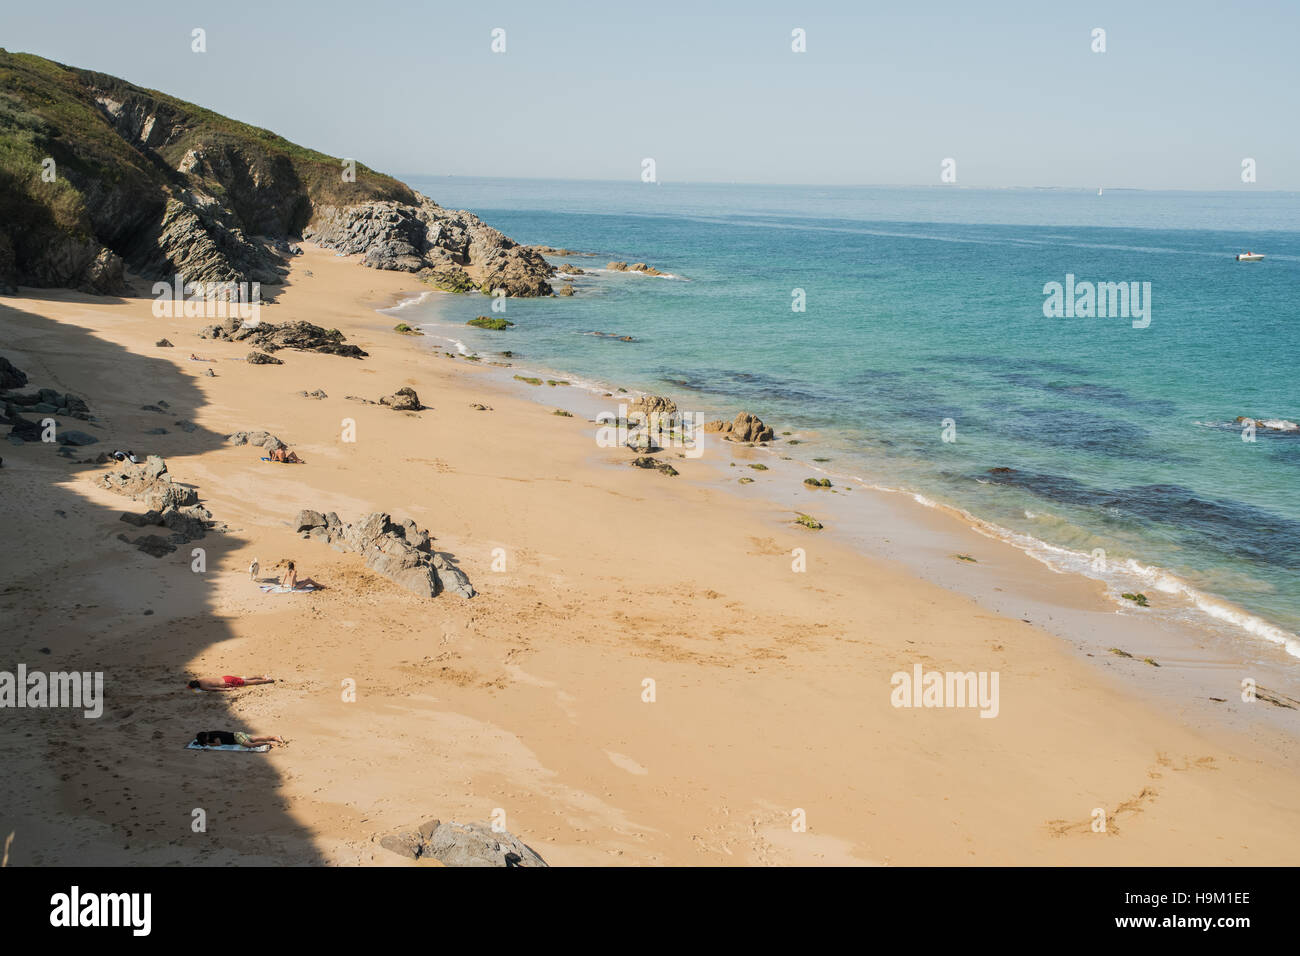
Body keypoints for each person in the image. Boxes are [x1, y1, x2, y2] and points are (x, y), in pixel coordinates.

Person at [193, 731, 287, 749]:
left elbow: (218, 744)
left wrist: (209, 745)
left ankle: (269, 742)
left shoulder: (213, 736)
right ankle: (275, 737)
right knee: (256, 739)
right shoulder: (210, 735)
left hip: (236, 737)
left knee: (251, 745)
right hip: (237, 735)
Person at [187, 675, 275, 692]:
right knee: (243, 678)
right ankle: (261, 676)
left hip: (228, 682)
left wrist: (228, 689)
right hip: (226, 677)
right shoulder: (199, 679)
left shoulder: (203, 687)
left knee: (249, 683)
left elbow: (216, 689)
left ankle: (268, 680)